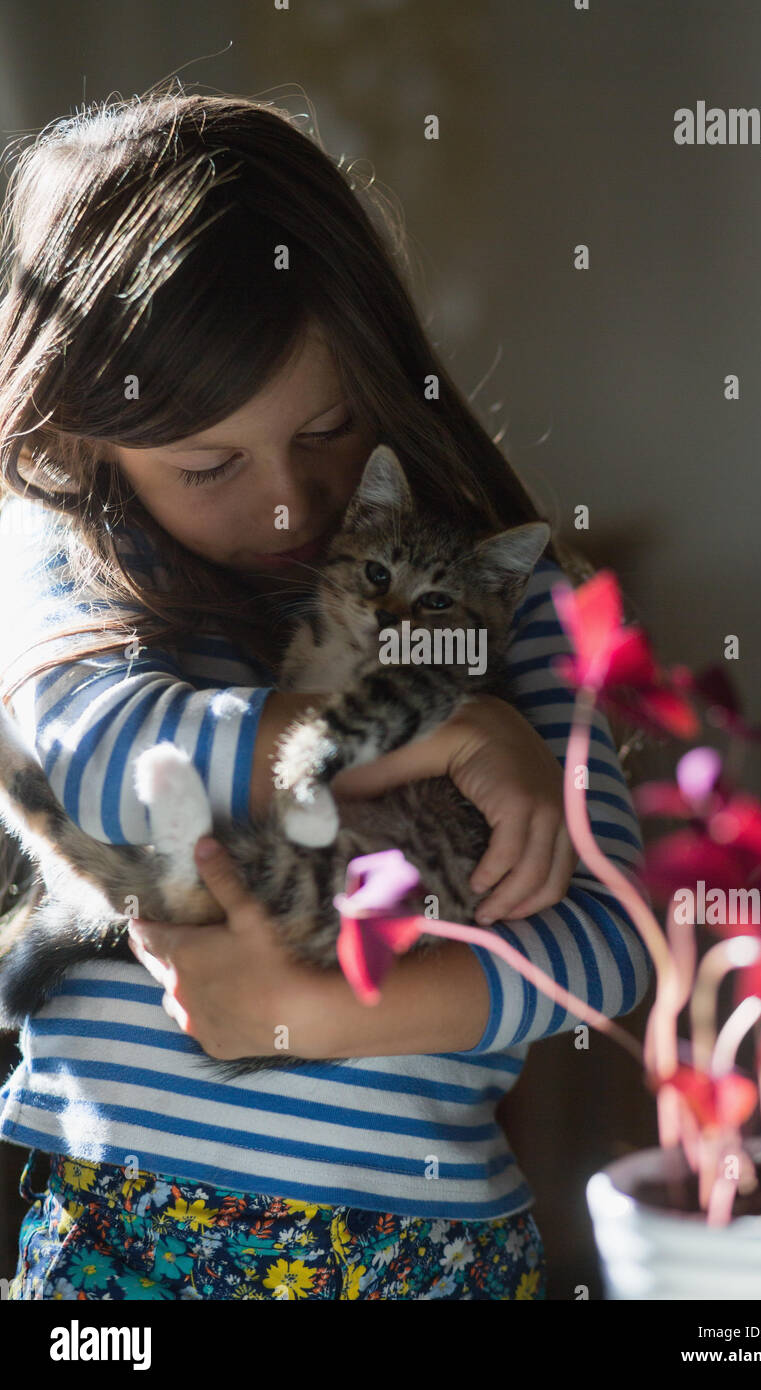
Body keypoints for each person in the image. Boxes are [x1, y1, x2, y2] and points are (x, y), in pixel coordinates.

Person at [0, 86, 651, 1300]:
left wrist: (315, 1018)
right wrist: (443, 734)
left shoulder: (509, 600)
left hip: (418, 1247)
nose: (290, 503)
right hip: (122, 1243)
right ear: (84, 446)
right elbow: (115, 760)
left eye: (332, 428)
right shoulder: (61, 555)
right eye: (207, 466)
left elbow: (610, 952)